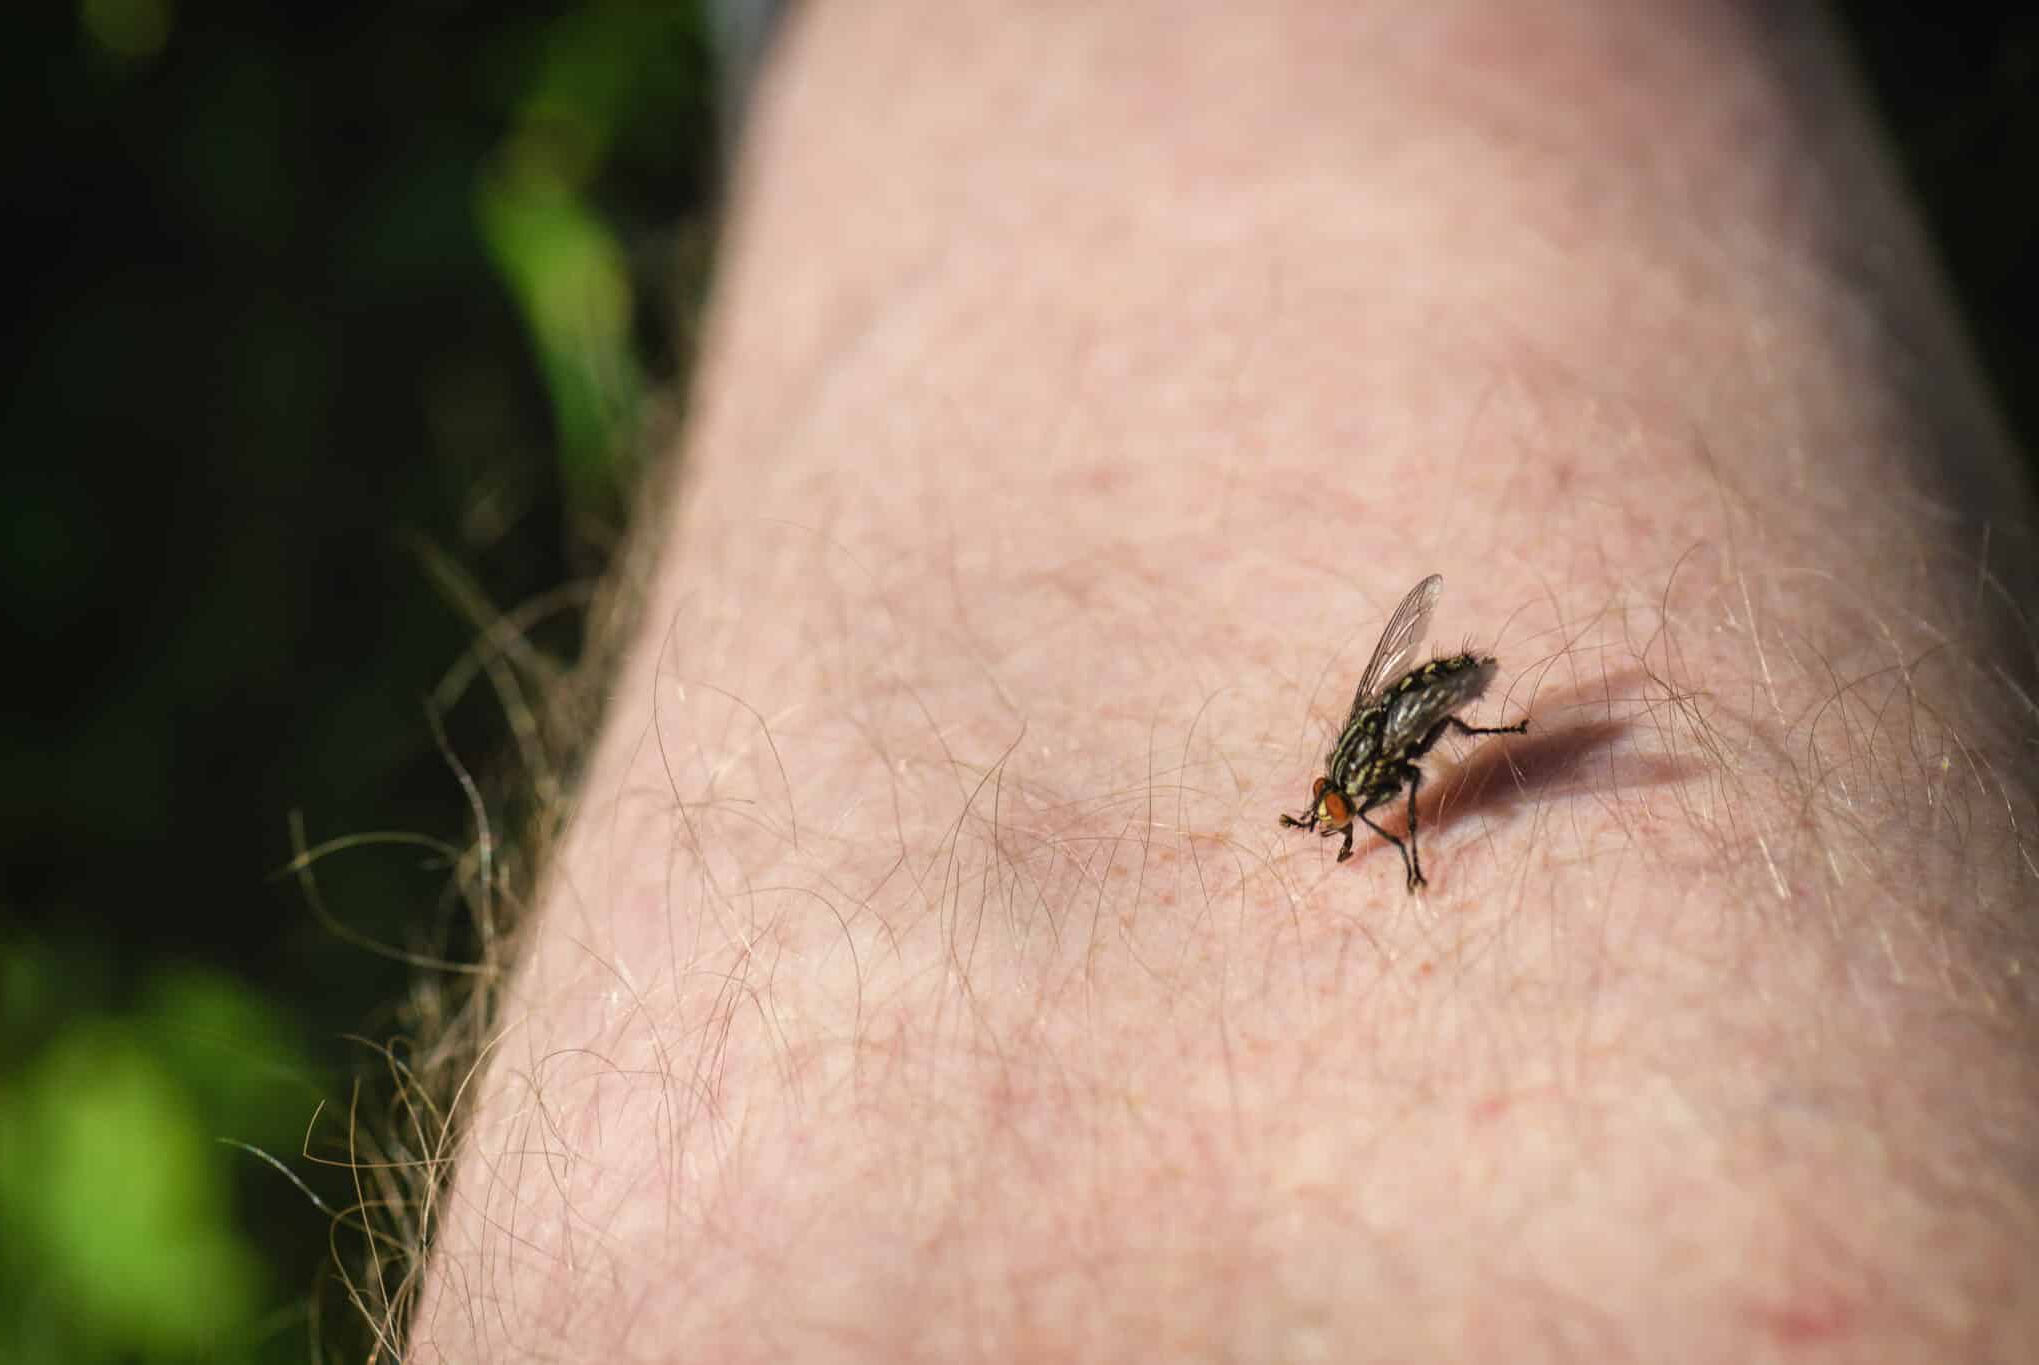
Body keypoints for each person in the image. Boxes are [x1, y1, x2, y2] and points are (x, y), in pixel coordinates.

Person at [410, 2, 2039, 1358]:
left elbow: (1417, 712)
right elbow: (1393, 719)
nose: (1347, 813)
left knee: (1458, 740)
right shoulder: (1354, 764)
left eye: (1342, 810)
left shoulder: (1382, 762)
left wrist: (1415, 801)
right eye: (1344, 811)